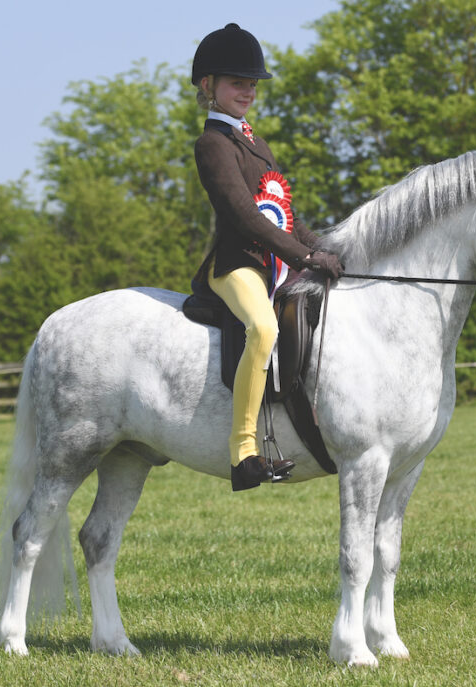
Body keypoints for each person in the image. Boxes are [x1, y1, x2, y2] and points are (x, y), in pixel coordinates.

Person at [189, 23, 344, 492]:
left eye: (252, 83)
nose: (248, 91)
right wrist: (304, 256)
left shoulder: (258, 144)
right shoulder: (213, 144)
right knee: (264, 327)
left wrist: (327, 249)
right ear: (208, 87)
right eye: (238, 82)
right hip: (237, 265)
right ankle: (243, 452)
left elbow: (284, 217)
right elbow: (245, 218)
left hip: (274, 262)